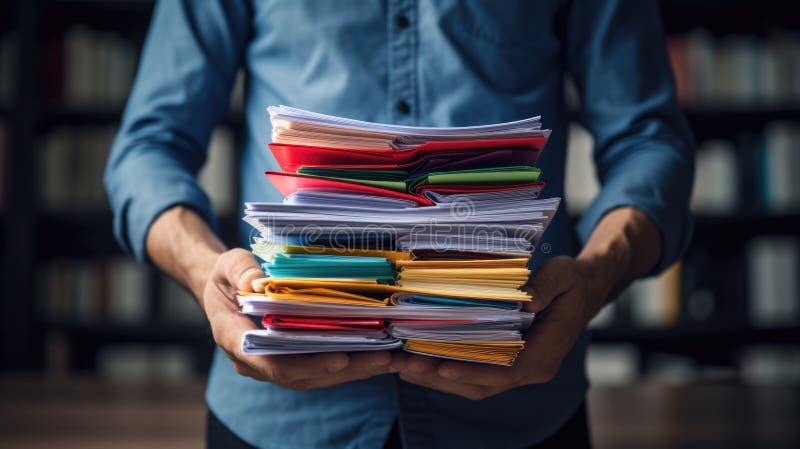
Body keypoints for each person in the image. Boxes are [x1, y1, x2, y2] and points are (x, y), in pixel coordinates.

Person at [104, 1, 694, 448]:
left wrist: (592, 279)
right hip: (280, 421)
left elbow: (648, 141)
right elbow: (148, 149)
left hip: (520, 411)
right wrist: (209, 271)